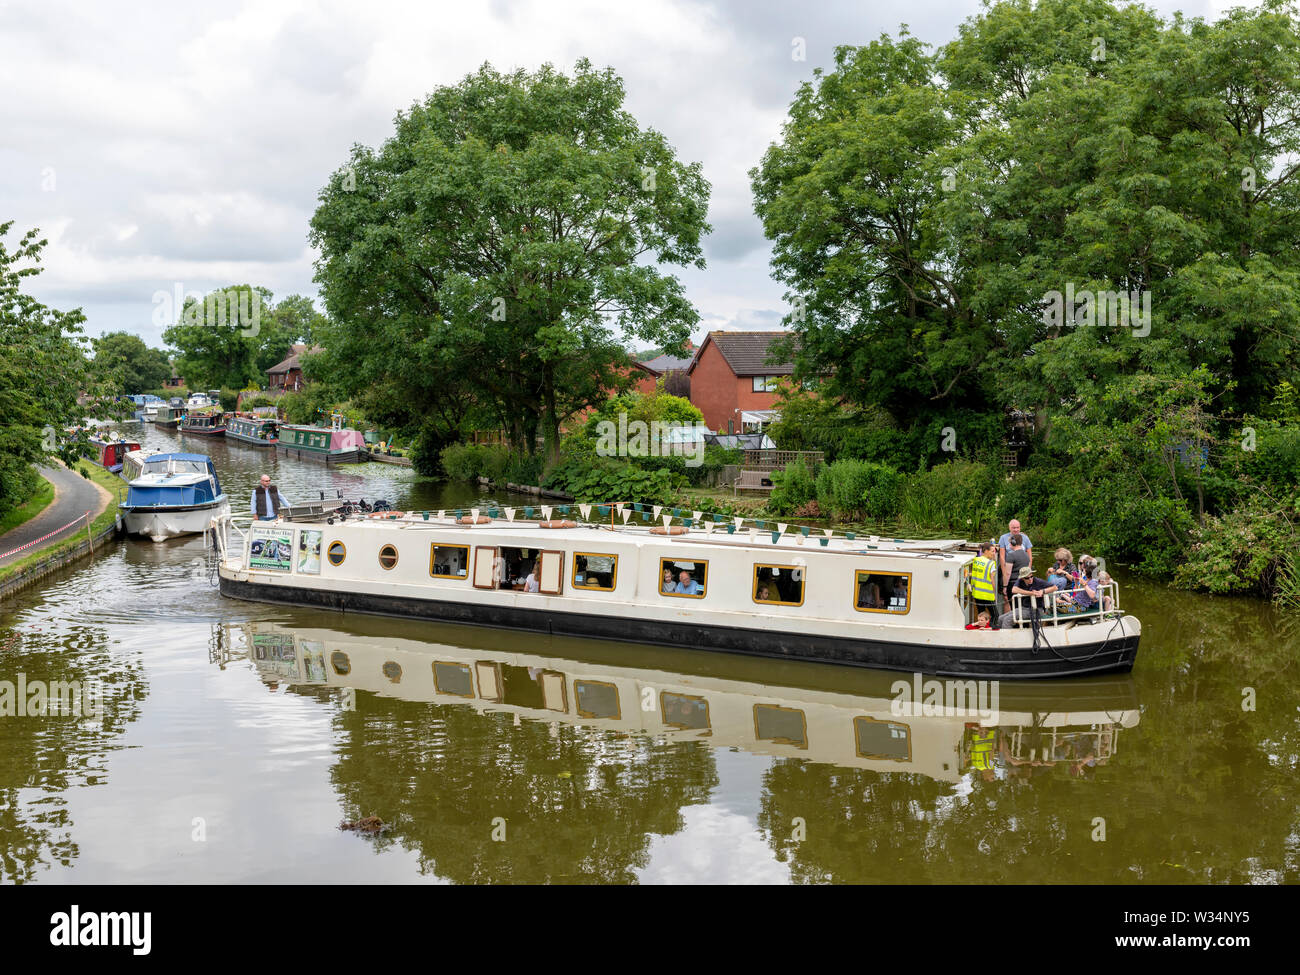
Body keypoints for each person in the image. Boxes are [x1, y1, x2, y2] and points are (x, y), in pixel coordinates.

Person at [997, 519, 1033, 598]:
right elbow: (1002, 557)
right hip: (1009, 567)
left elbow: (1029, 556)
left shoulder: (1025, 538)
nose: (1016, 530)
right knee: (1006, 596)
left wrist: (1027, 572)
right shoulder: (1003, 538)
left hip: (1022, 567)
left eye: (1018, 527)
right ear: (1009, 528)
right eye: (1014, 528)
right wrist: (1004, 575)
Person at [967, 542, 999, 624]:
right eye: (992, 551)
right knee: (995, 615)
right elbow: (992, 580)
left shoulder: (975, 560)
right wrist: (994, 594)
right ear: (986, 551)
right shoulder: (990, 563)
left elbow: (974, 574)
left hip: (977, 593)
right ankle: (992, 630)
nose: (993, 553)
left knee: (981, 615)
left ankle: (982, 629)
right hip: (987, 594)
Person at [1001, 533, 1030, 610]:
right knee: (1022, 607)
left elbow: (1007, 573)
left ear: (1013, 543)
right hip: (1024, 584)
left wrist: (1004, 587)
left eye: (1010, 542)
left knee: (1015, 608)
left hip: (1013, 584)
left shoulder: (1011, 555)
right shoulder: (1026, 555)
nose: (1009, 544)